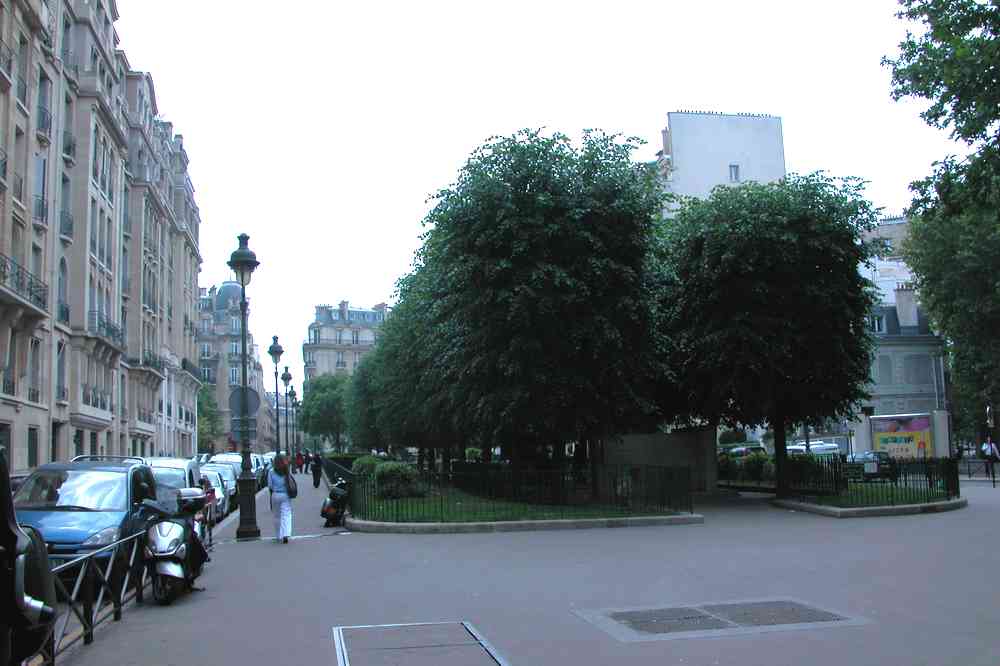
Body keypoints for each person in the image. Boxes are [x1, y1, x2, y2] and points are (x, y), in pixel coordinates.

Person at [267, 454, 294, 544]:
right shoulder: (286, 471)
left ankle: (278, 535)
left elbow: (270, 485)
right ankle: (285, 534)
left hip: (275, 495)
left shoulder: (271, 472)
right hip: (285, 495)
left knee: (277, 516)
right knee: (286, 514)